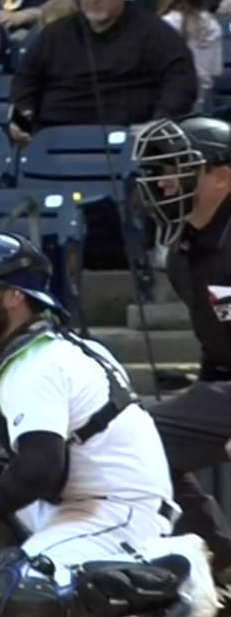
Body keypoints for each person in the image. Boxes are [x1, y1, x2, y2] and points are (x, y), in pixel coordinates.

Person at [0, 231, 218, 617]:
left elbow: (40, 468)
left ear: (14, 296)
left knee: (18, 596)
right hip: (93, 500)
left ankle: (175, 568)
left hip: (119, 510)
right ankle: (60, 559)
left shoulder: (38, 363)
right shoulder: (52, 347)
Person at [132, 116, 231, 585]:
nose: (163, 181)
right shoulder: (180, 254)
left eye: (176, 167)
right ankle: (219, 556)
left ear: (222, 175)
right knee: (134, 444)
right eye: (158, 170)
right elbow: (215, 339)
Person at [9, 0, 196, 135]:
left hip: (128, 136)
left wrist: (161, 120)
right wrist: (23, 117)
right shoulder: (55, 34)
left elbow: (180, 76)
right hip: (55, 134)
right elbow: (26, 79)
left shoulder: (153, 31)